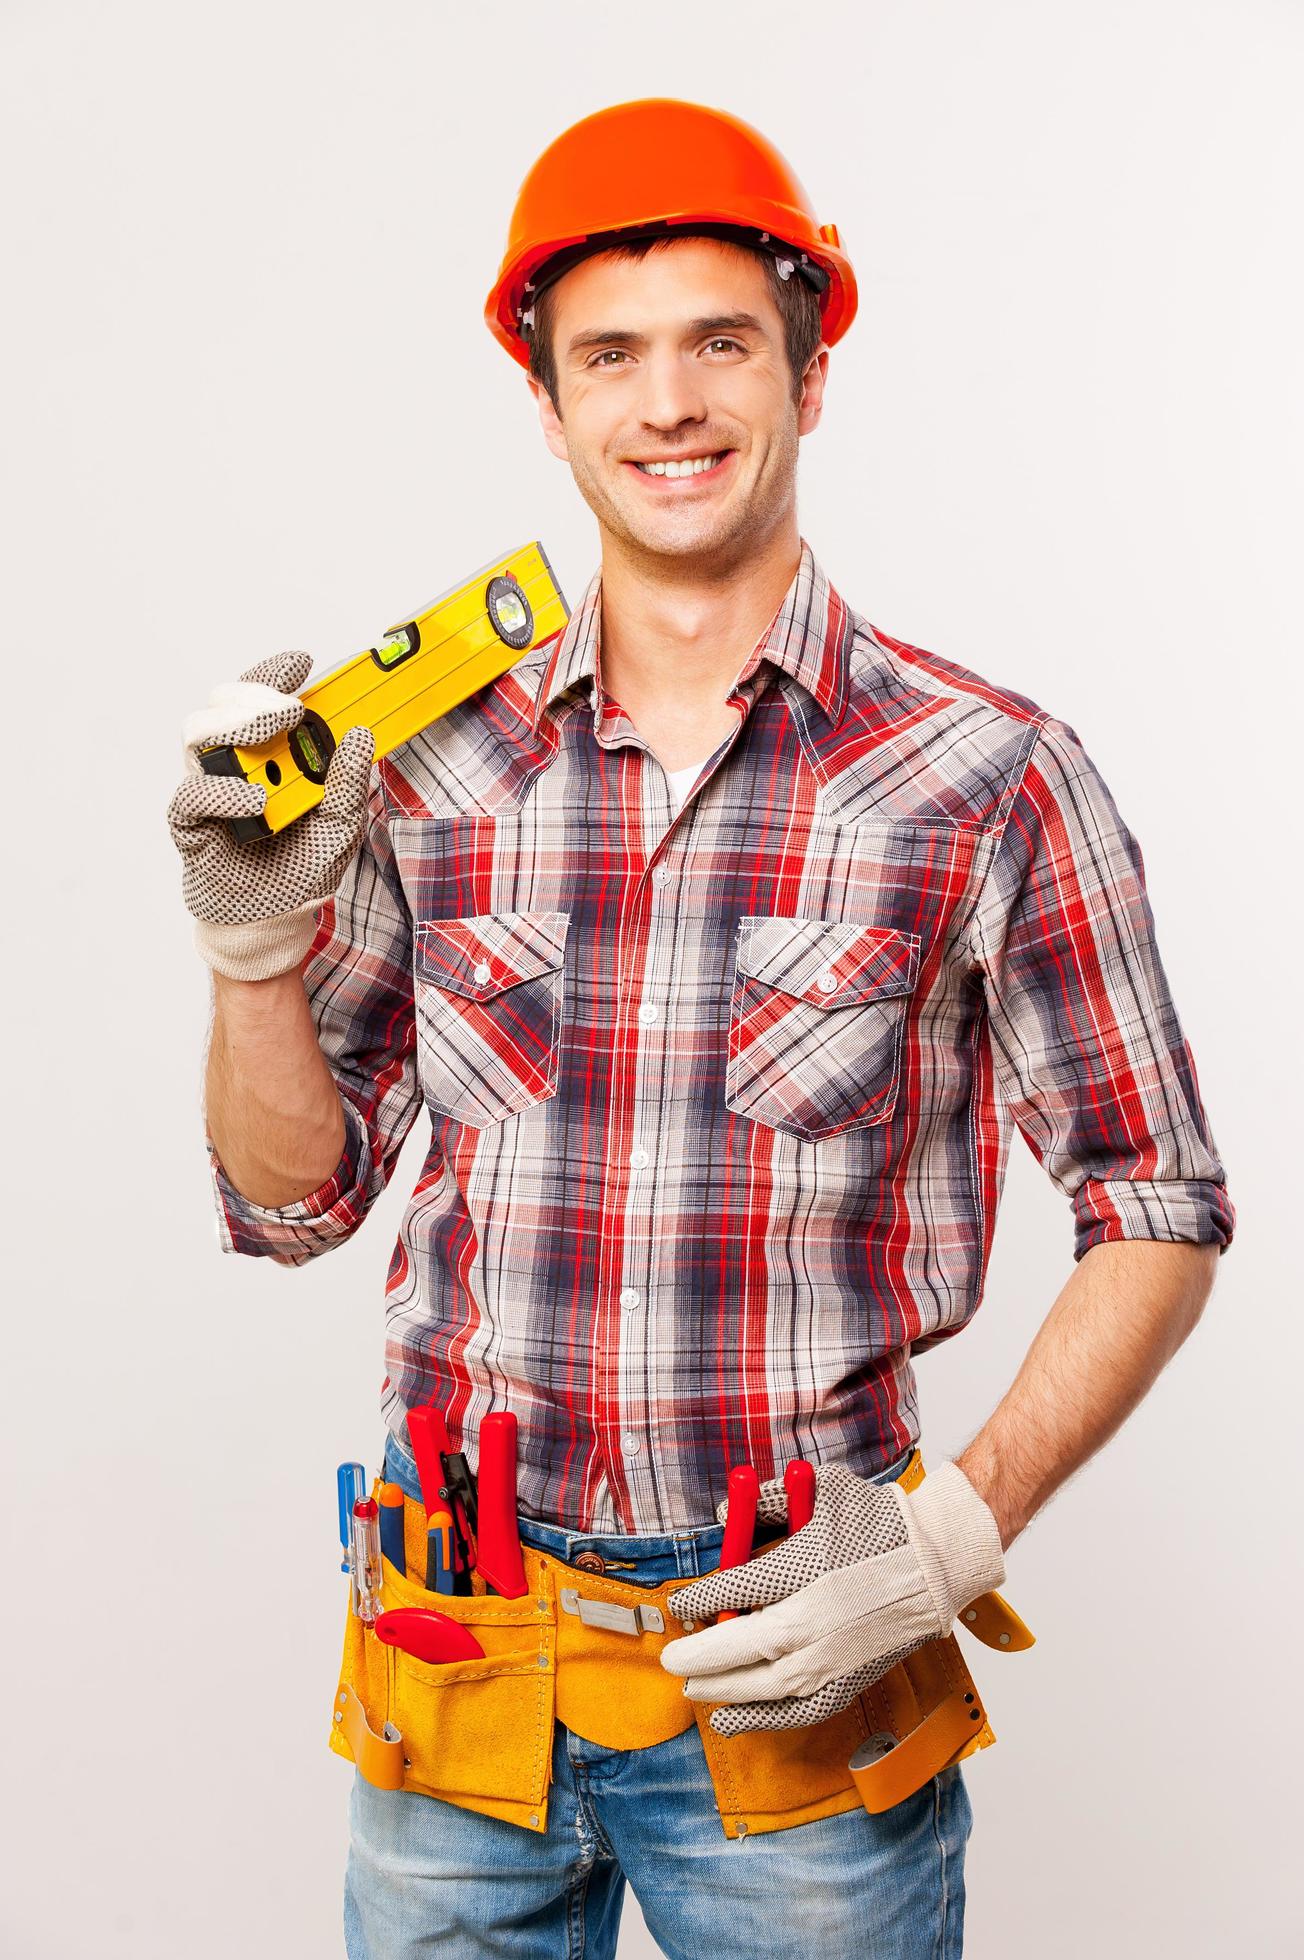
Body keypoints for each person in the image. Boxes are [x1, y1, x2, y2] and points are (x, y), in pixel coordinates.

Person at [168, 98, 1235, 1959]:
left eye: (721, 342)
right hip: (458, 1660)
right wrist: (250, 954)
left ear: (809, 376)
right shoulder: (425, 760)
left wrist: (953, 1538)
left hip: (800, 1673)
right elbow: (294, 1203)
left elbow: (1162, 1201)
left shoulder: (985, 779)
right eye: (612, 356)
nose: (668, 404)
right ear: (552, 400)